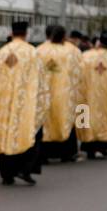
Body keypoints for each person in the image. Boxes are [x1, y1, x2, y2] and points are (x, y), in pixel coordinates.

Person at [0, 20, 47, 186]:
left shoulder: (1, 53)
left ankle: (6, 174)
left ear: (11, 33)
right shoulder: (32, 53)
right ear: (26, 33)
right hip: (25, 103)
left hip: (3, 104)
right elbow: (40, 81)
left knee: (5, 134)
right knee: (31, 133)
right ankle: (25, 169)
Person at [37, 24, 81, 163]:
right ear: (63, 36)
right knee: (65, 121)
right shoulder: (71, 52)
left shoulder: (38, 50)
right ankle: (66, 153)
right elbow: (78, 74)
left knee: (44, 122)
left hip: (43, 94)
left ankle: (42, 155)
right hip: (64, 94)